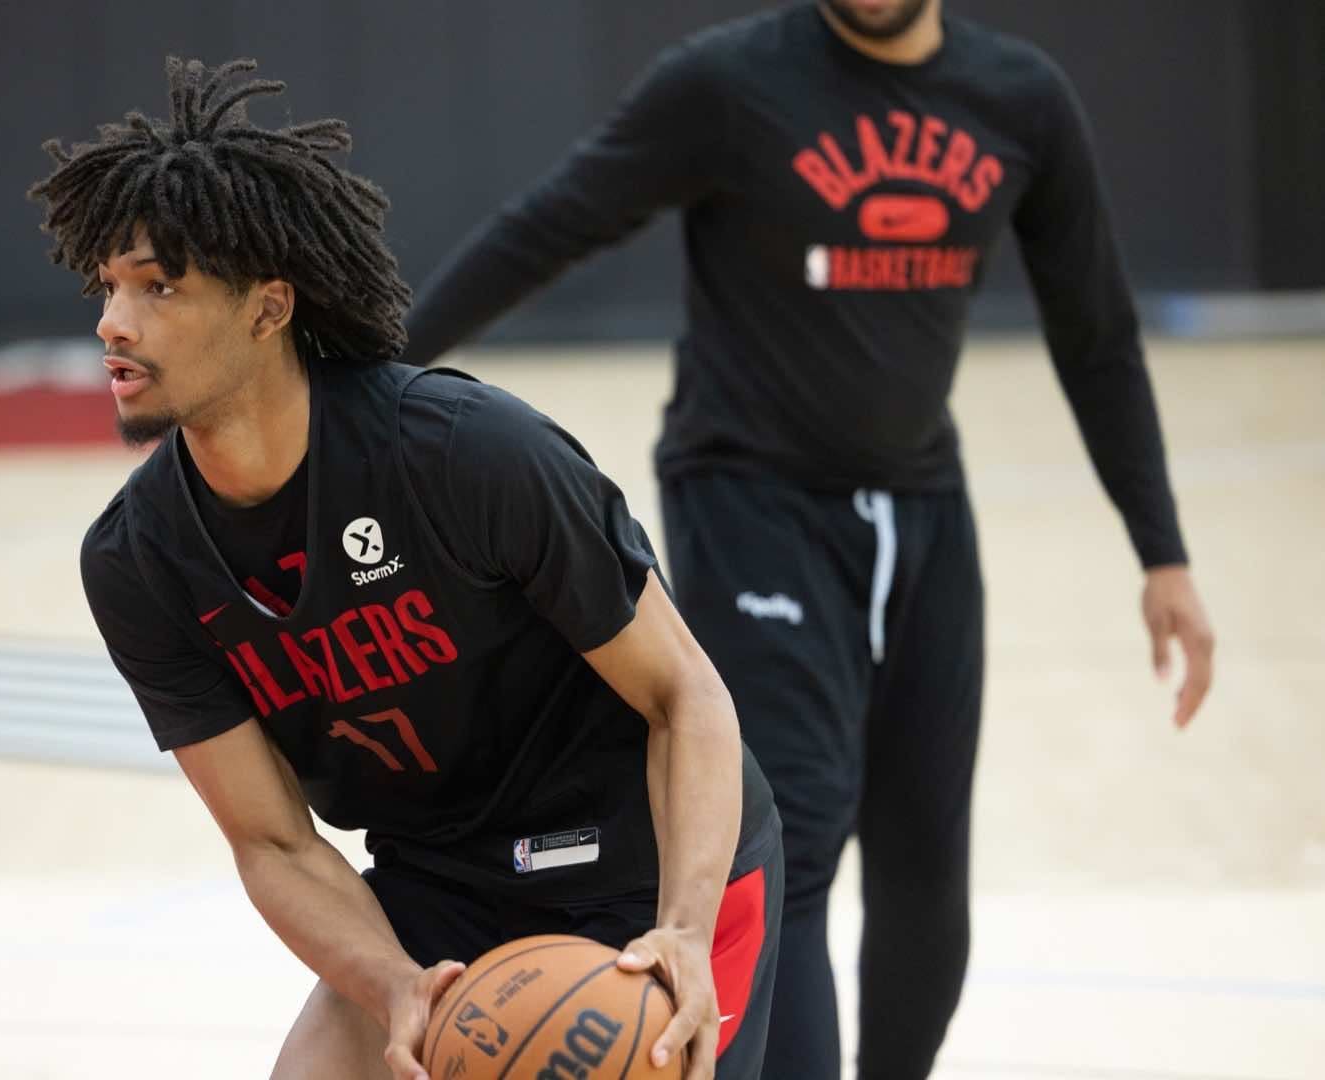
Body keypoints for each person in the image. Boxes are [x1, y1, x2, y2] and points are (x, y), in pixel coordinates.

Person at [402, 2, 1217, 1076]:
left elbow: (1097, 333)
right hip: (753, 506)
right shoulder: (730, 84)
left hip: (924, 510)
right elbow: (548, 225)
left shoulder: (1020, 100)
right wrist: (377, 378)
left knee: (928, 875)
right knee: (792, 859)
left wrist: (1162, 552)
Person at [29, 56, 785, 1080]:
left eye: (161, 287)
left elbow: (683, 697)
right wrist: (393, 983)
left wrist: (684, 932)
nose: (113, 323)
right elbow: (276, 846)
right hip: (442, 882)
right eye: (109, 288)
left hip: (647, 862)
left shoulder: (462, 452)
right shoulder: (139, 562)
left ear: (267, 309)